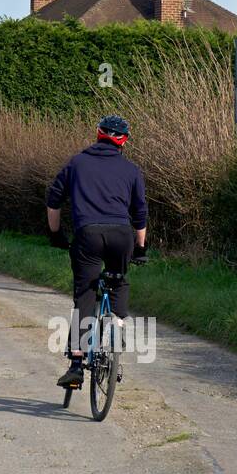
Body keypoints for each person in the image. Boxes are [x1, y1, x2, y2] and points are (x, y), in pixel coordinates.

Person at [46, 115, 148, 389]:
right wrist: (139, 248)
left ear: (97, 133)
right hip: (121, 235)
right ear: (124, 141)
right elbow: (140, 214)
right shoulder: (131, 170)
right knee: (119, 280)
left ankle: (77, 364)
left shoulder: (77, 163)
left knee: (85, 295)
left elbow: (54, 199)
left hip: (87, 235)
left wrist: (56, 234)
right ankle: (118, 328)